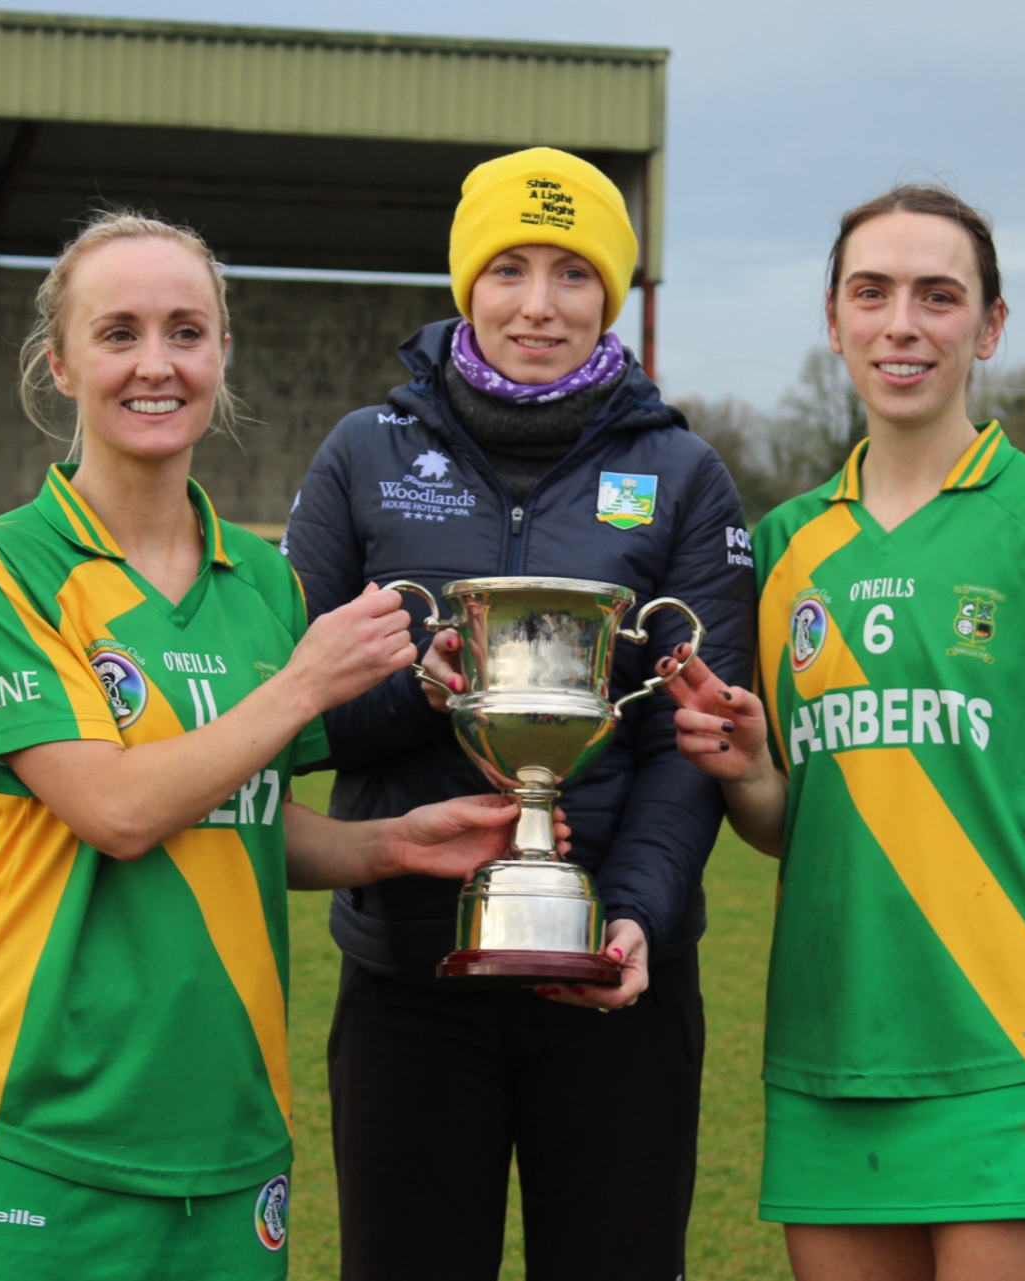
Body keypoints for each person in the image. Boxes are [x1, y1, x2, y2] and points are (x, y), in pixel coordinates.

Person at [0, 211, 556, 1281]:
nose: (157, 364)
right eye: (119, 333)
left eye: (187, 332)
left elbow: (238, 820)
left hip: (228, 1139)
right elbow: (122, 813)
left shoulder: (264, 583)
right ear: (60, 363)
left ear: (223, 353)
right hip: (28, 1122)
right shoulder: (2, 567)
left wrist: (391, 845)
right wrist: (302, 685)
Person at [661, 185, 1025, 1281]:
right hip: (831, 1060)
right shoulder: (785, 547)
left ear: (989, 327)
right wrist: (754, 771)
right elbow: (792, 824)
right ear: (835, 317)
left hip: (1017, 1053)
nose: (903, 323)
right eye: (874, 292)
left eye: (938, 296)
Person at [284, 147, 757, 1280]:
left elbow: (689, 743)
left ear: (613, 294)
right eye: (508, 269)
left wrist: (634, 912)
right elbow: (290, 720)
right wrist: (428, 689)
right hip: (408, 969)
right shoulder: (363, 456)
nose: (539, 305)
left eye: (573, 273)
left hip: (618, 980)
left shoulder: (685, 474)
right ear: (465, 284)